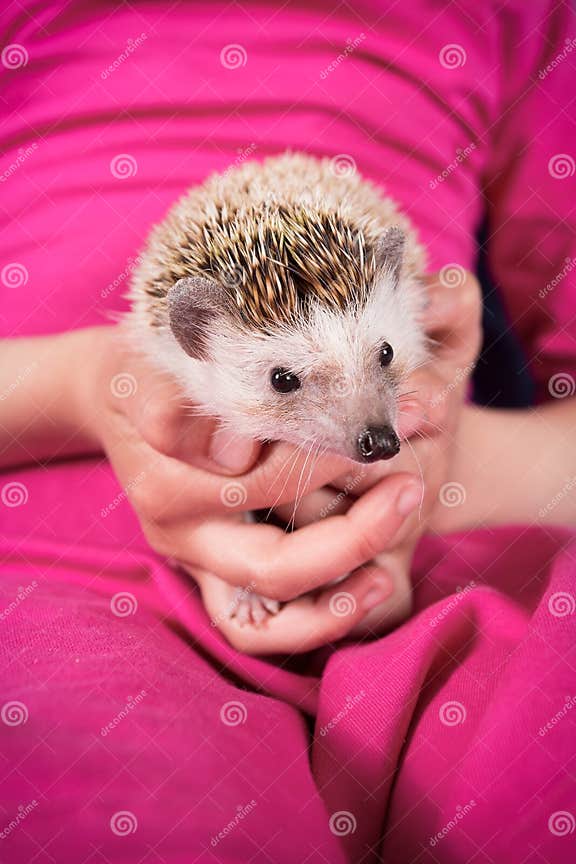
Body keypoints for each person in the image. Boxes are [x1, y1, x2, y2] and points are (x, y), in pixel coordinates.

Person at [0, 1, 574, 862]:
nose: (367, 424)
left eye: (383, 356)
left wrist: (449, 473)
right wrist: (81, 388)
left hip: (442, 586)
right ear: (191, 340)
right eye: (283, 379)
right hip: (56, 590)